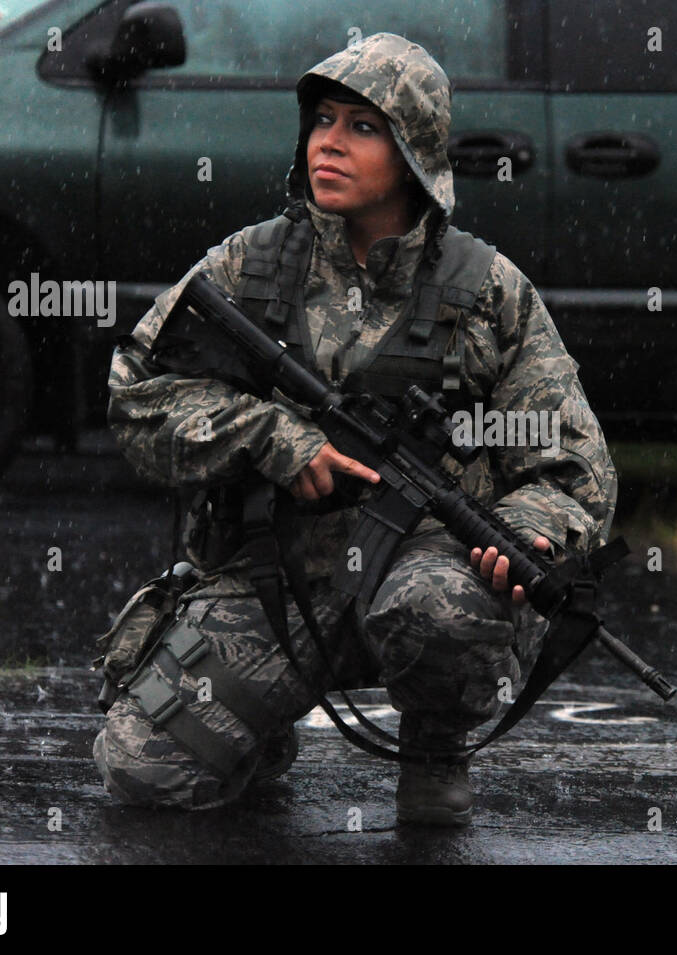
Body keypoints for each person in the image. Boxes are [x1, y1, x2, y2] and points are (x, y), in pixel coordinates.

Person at [92, 32, 617, 826]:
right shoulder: (250, 268)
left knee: (442, 606)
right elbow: (136, 395)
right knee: (144, 772)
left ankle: (434, 747)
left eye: (363, 127)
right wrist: (268, 435)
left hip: (425, 572)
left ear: (414, 154)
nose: (329, 143)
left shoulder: (485, 292)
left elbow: (575, 462)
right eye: (323, 120)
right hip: (275, 580)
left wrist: (531, 530)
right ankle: (261, 733)